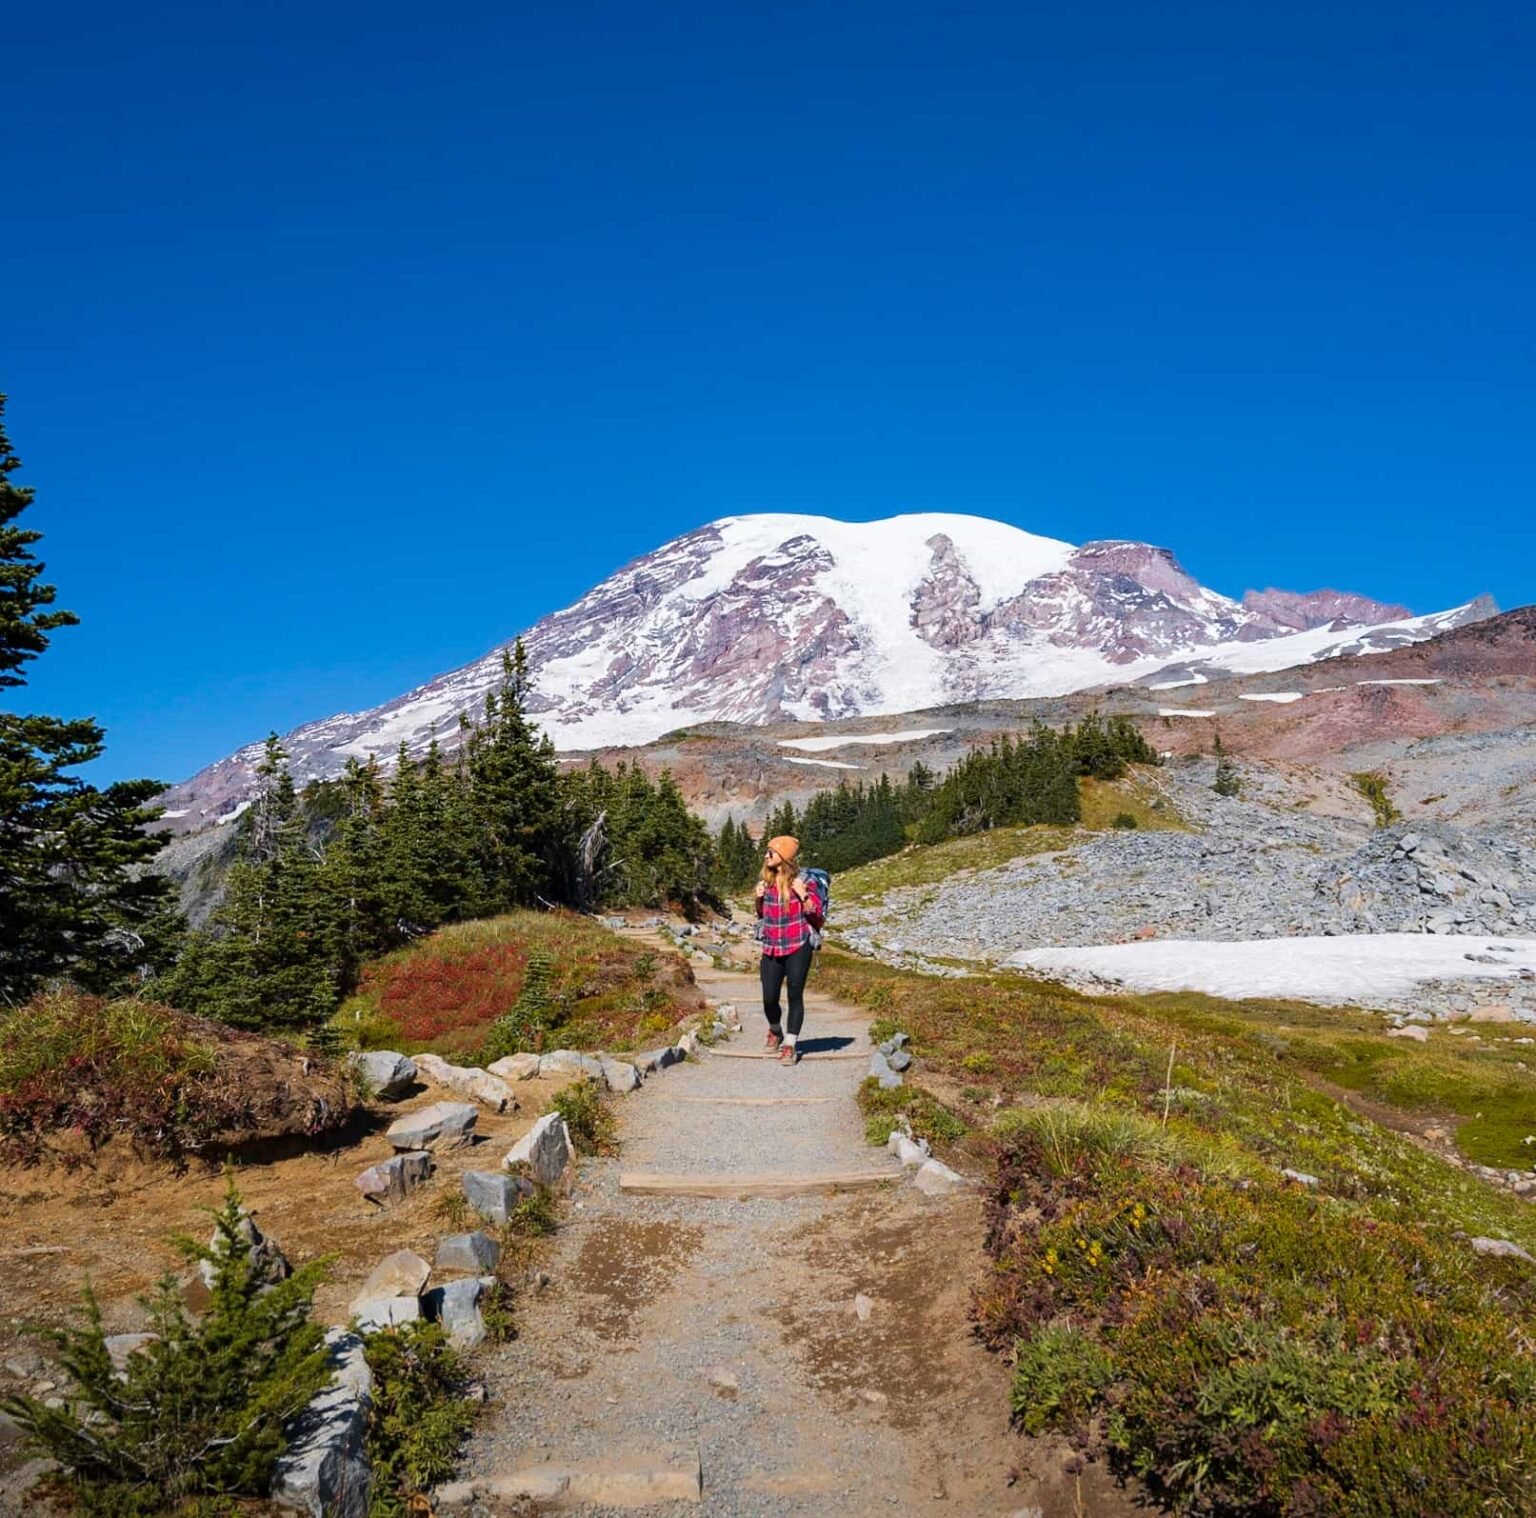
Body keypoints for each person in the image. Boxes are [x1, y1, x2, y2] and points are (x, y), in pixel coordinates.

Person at [754, 834, 825, 1066]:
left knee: (795, 995)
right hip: (771, 946)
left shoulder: (802, 883)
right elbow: (763, 915)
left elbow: (817, 916)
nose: (766, 856)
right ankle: (775, 1030)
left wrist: (803, 895)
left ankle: (790, 1045)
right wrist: (758, 900)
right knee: (769, 998)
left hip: (797, 945)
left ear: (783, 856)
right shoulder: (766, 882)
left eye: (771, 852)